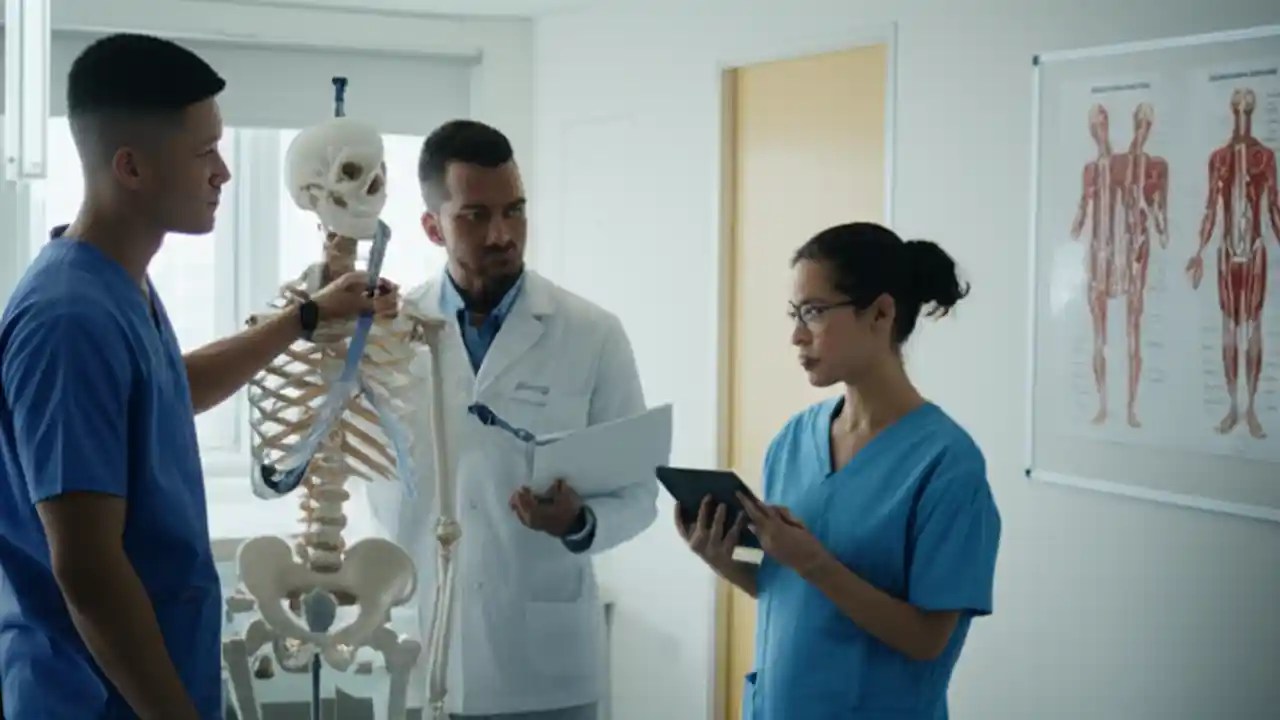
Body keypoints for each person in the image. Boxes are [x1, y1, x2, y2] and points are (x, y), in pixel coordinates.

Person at [0, 33, 397, 719]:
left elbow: (166, 392)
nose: (224, 173)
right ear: (130, 167)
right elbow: (87, 569)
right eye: (204, 152)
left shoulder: (114, 289)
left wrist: (303, 318)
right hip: (94, 702)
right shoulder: (70, 319)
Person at [362, 119, 657, 720]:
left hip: (543, 668)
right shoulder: (386, 333)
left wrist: (578, 522)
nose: (503, 234)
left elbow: (639, 494)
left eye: (515, 211)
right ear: (431, 226)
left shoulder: (591, 334)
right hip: (420, 651)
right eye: (475, 215)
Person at [678, 222, 1001, 719]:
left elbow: (926, 640)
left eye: (814, 312)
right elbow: (791, 590)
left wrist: (815, 562)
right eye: (795, 313)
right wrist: (725, 561)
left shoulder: (946, 465)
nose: (796, 335)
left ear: (881, 312)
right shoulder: (793, 439)